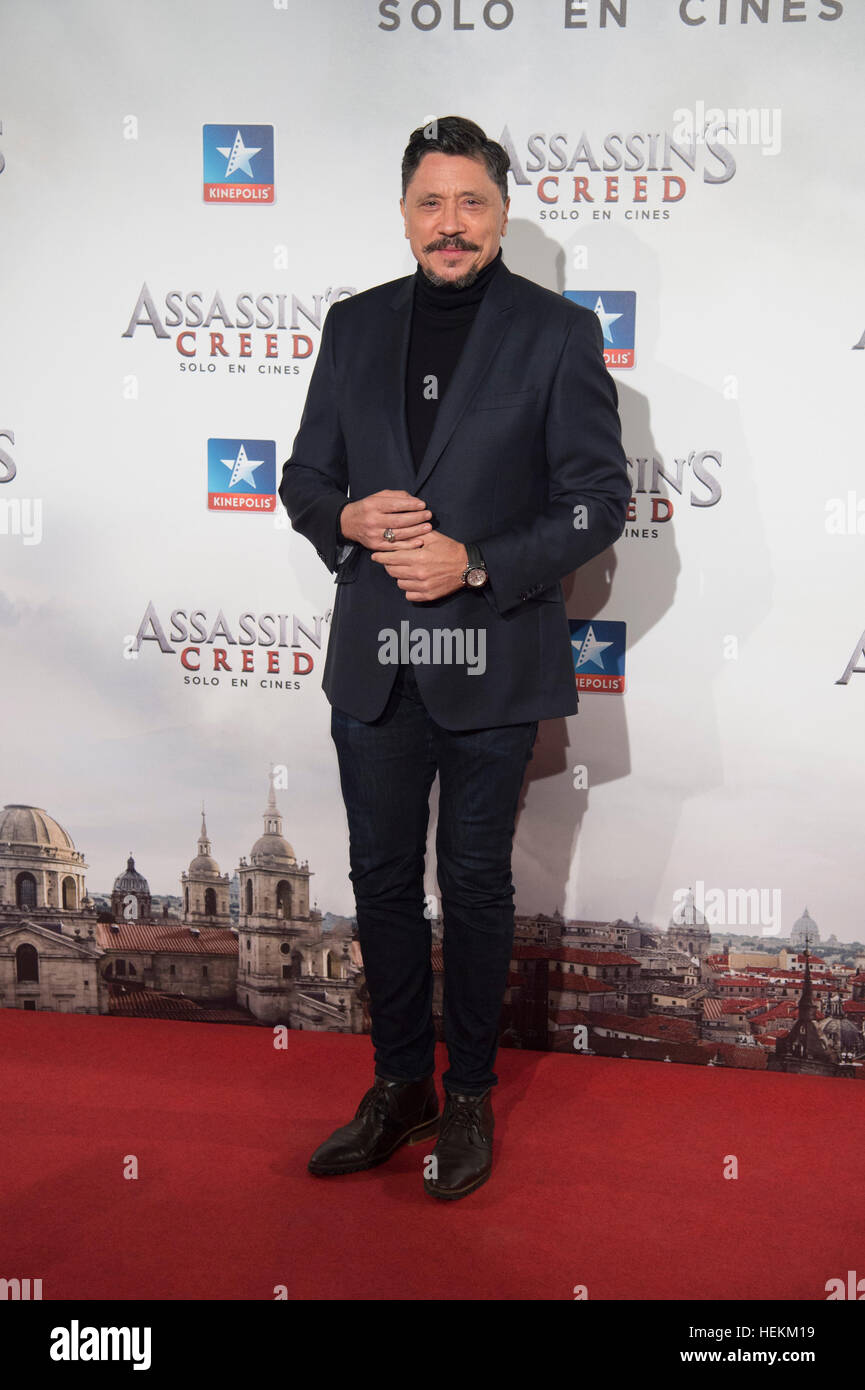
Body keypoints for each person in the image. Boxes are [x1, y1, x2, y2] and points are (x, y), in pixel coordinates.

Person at [279, 115, 630, 1201]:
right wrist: (347, 515)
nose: (449, 223)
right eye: (429, 203)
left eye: (469, 203)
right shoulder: (352, 326)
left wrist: (473, 561)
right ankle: (399, 1085)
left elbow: (598, 500)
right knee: (381, 881)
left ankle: (468, 1093)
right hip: (373, 664)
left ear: (502, 211)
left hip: (490, 660)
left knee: (473, 884)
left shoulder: (558, 333)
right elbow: (302, 479)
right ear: (403, 213)